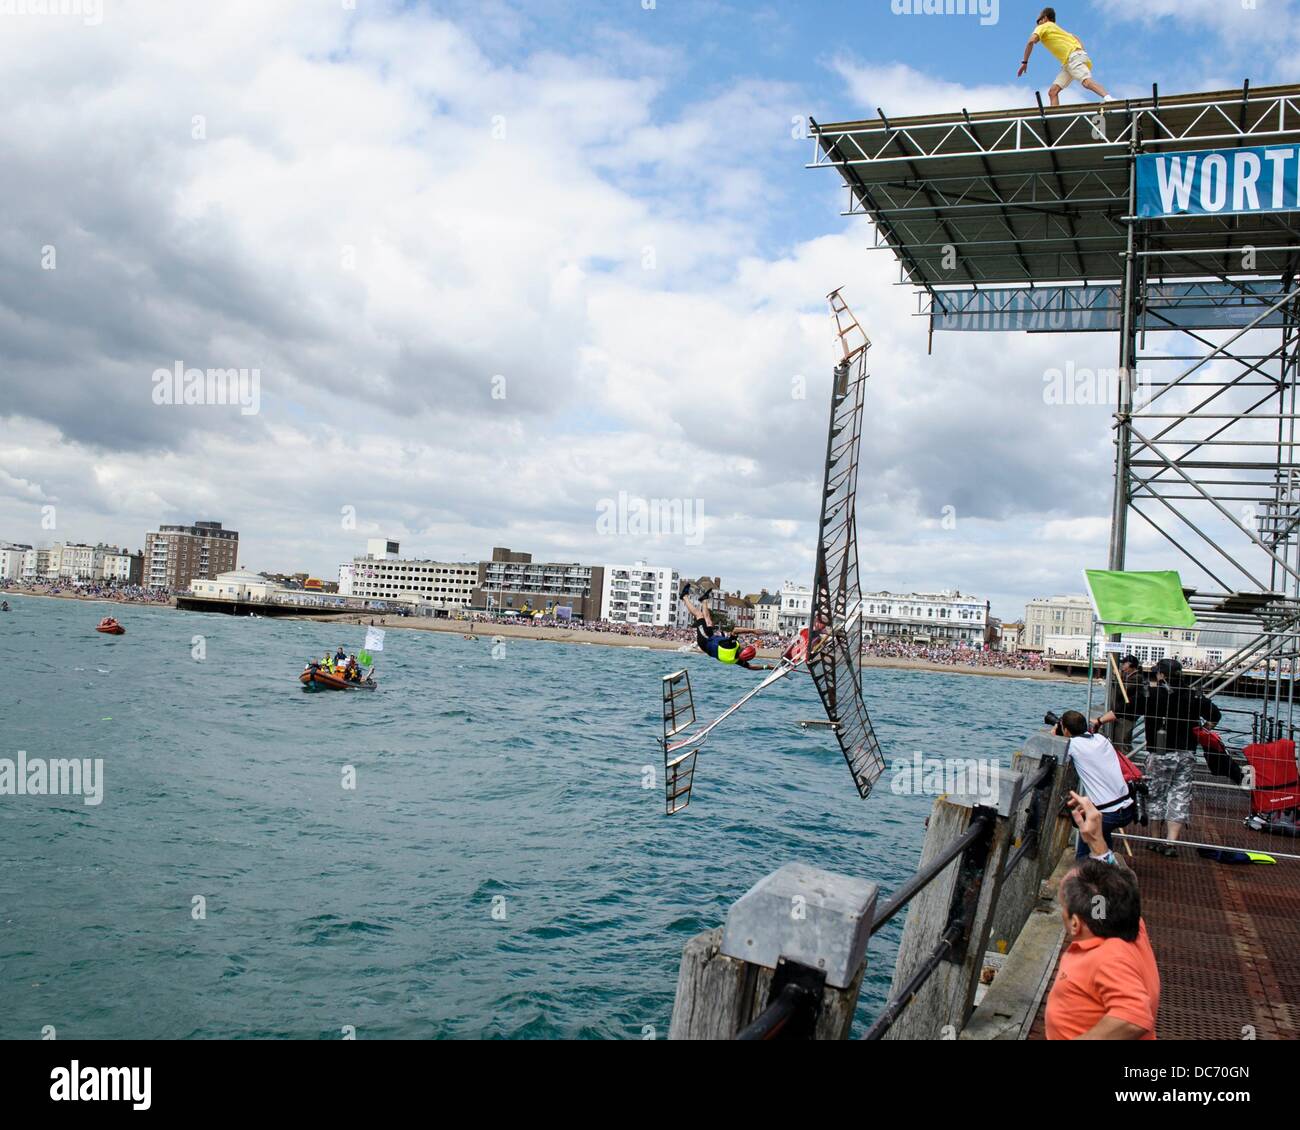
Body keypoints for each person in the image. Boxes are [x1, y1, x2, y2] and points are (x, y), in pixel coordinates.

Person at [1045, 792, 1161, 1040]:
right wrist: (1095, 840)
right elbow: (1116, 889)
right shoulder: (1131, 927)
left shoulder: (1106, 957)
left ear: (1075, 923)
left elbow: (1133, 1017)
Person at [1141, 657, 1220, 856]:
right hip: (1186, 752)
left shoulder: (1152, 693)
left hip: (1160, 751)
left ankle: (1153, 837)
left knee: (1156, 793)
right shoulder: (1193, 695)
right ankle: (1171, 843)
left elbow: (1127, 709)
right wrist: (1203, 729)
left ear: (1161, 674)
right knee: (1179, 796)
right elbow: (1215, 715)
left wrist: (1099, 720)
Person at [1053, 710, 1135, 858]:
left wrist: (1055, 735)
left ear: (1065, 729)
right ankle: (1106, 865)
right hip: (1128, 808)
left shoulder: (1072, 745)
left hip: (1106, 813)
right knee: (1102, 837)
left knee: (1084, 858)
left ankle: (1086, 875)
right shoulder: (1101, 739)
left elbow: (1056, 757)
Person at [1017, 7, 1111, 112]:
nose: (1037, 24)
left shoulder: (1044, 26)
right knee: (1053, 92)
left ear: (1045, 18)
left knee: (1086, 82)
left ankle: (1108, 98)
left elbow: (1031, 41)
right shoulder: (1058, 30)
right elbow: (1076, 37)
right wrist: (1081, 52)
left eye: (1039, 21)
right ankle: (1055, 116)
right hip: (1069, 61)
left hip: (1073, 58)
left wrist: (1025, 62)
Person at [679, 582, 770, 671]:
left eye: (745, 646)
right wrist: (767, 667)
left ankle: (684, 596)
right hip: (710, 640)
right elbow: (750, 667)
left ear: (742, 650)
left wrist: (753, 631)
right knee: (708, 621)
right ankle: (704, 600)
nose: (745, 644)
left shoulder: (732, 645)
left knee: (699, 615)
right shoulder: (738, 659)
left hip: (705, 640)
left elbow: (735, 630)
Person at [1092, 655, 1143, 754]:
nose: (1122, 666)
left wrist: (1118, 678)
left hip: (1127, 714)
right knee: (1118, 741)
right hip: (1120, 712)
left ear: (1130, 665)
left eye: (1124, 663)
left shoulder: (1137, 678)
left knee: (1122, 742)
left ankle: (1126, 763)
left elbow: (1124, 691)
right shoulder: (1129, 676)